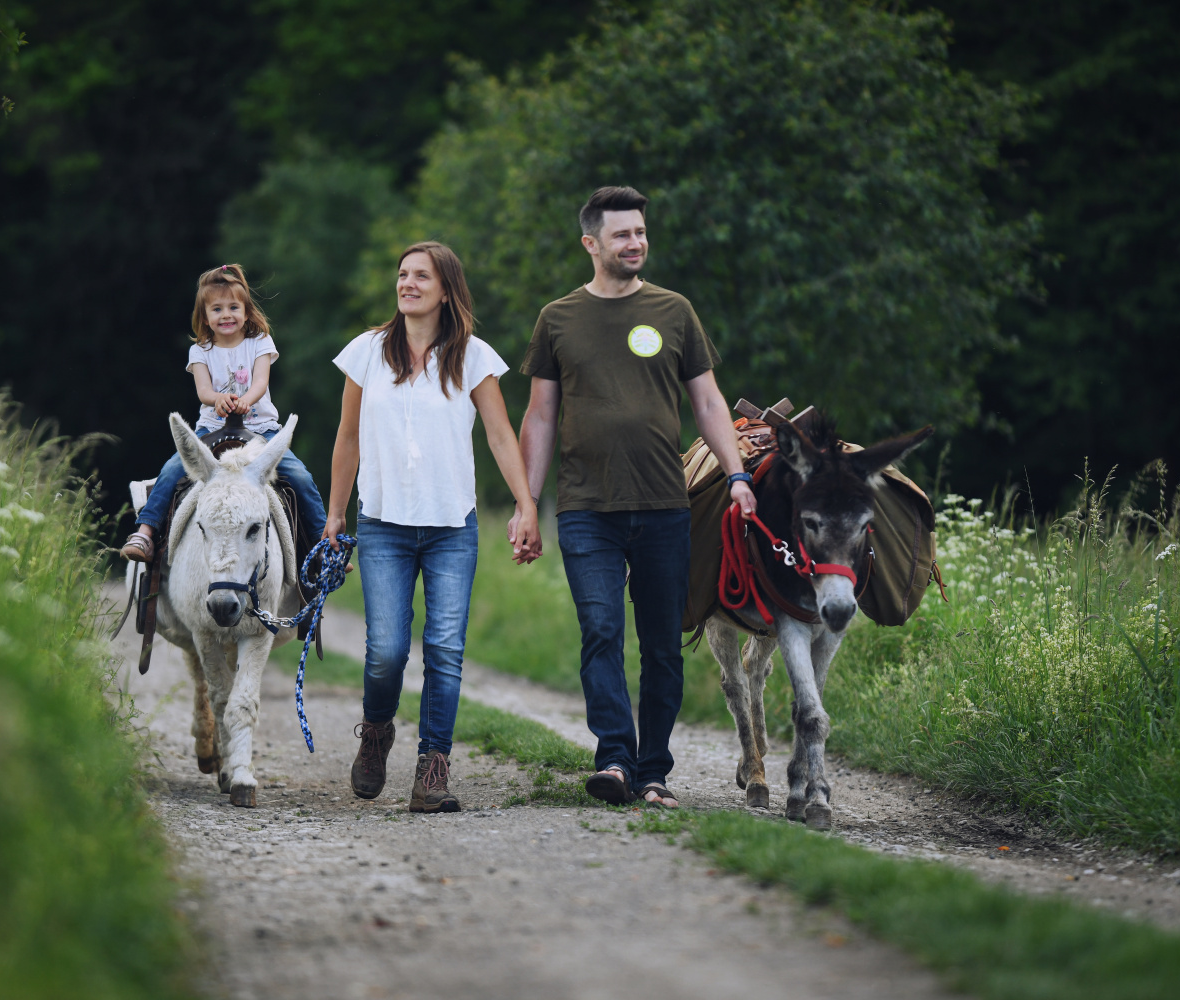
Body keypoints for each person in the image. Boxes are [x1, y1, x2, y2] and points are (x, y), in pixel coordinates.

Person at [511, 186, 756, 809]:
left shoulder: (675, 311)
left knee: (660, 643)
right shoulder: (558, 318)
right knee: (599, 629)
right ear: (591, 244)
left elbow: (707, 402)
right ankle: (615, 758)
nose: (636, 243)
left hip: (664, 505)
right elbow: (539, 417)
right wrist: (524, 503)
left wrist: (736, 476)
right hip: (586, 506)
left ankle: (654, 771)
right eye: (622, 235)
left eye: (641, 232)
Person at [327, 241, 542, 813]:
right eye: (402, 274)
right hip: (382, 526)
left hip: (452, 526)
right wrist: (335, 514)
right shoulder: (367, 353)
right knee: (387, 652)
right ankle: (376, 732)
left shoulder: (473, 357)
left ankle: (433, 768)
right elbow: (346, 438)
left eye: (421, 276)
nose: (408, 283)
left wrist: (525, 504)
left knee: (445, 650)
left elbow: (500, 435)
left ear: (446, 289)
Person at [120, 264, 327, 562]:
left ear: (246, 311)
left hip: (261, 429)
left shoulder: (260, 342)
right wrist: (218, 399)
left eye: (233, 307)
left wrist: (247, 401)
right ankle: (146, 532)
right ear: (204, 316)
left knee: (299, 476)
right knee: (171, 471)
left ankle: (323, 544)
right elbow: (203, 391)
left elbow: (260, 382)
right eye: (217, 309)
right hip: (211, 430)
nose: (226, 314)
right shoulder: (201, 350)